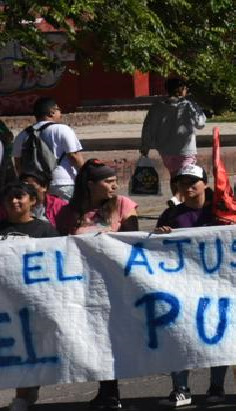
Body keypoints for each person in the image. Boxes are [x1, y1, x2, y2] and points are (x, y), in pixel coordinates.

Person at [56, 160, 137, 409]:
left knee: (116, 336)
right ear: (90, 185)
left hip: (117, 283)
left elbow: (134, 241)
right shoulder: (68, 214)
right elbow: (59, 248)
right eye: (108, 181)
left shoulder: (124, 205)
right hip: (84, 284)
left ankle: (113, 389)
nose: (114, 185)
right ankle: (108, 389)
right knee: (96, 337)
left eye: (115, 180)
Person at [152, 165, 231, 407]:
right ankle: (181, 389)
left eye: (193, 182)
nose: (188, 187)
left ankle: (216, 386)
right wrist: (160, 235)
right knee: (179, 335)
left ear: (205, 184)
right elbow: (156, 248)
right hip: (182, 286)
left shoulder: (221, 210)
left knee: (218, 335)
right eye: (183, 182)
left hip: (216, 284)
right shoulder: (172, 215)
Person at [0, 181, 59, 410]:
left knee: (25, 347)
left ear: (32, 200)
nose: (14, 201)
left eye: (19, 196)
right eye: (9, 198)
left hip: (33, 302)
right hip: (4, 302)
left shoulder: (45, 231)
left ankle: (23, 395)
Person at [12, 97, 85, 199]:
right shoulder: (62, 129)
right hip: (62, 182)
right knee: (66, 213)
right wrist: (86, 175)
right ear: (51, 112)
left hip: (35, 186)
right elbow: (74, 156)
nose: (61, 113)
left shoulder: (22, 135)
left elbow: (18, 165)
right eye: (58, 109)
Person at [139, 77, 208, 176]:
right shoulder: (190, 105)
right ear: (182, 89)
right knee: (185, 179)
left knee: (174, 176)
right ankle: (179, 192)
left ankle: (175, 191)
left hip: (166, 151)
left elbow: (148, 128)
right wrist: (202, 113)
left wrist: (145, 147)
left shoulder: (156, 107)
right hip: (185, 150)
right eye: (185, 88)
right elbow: (201, 124)